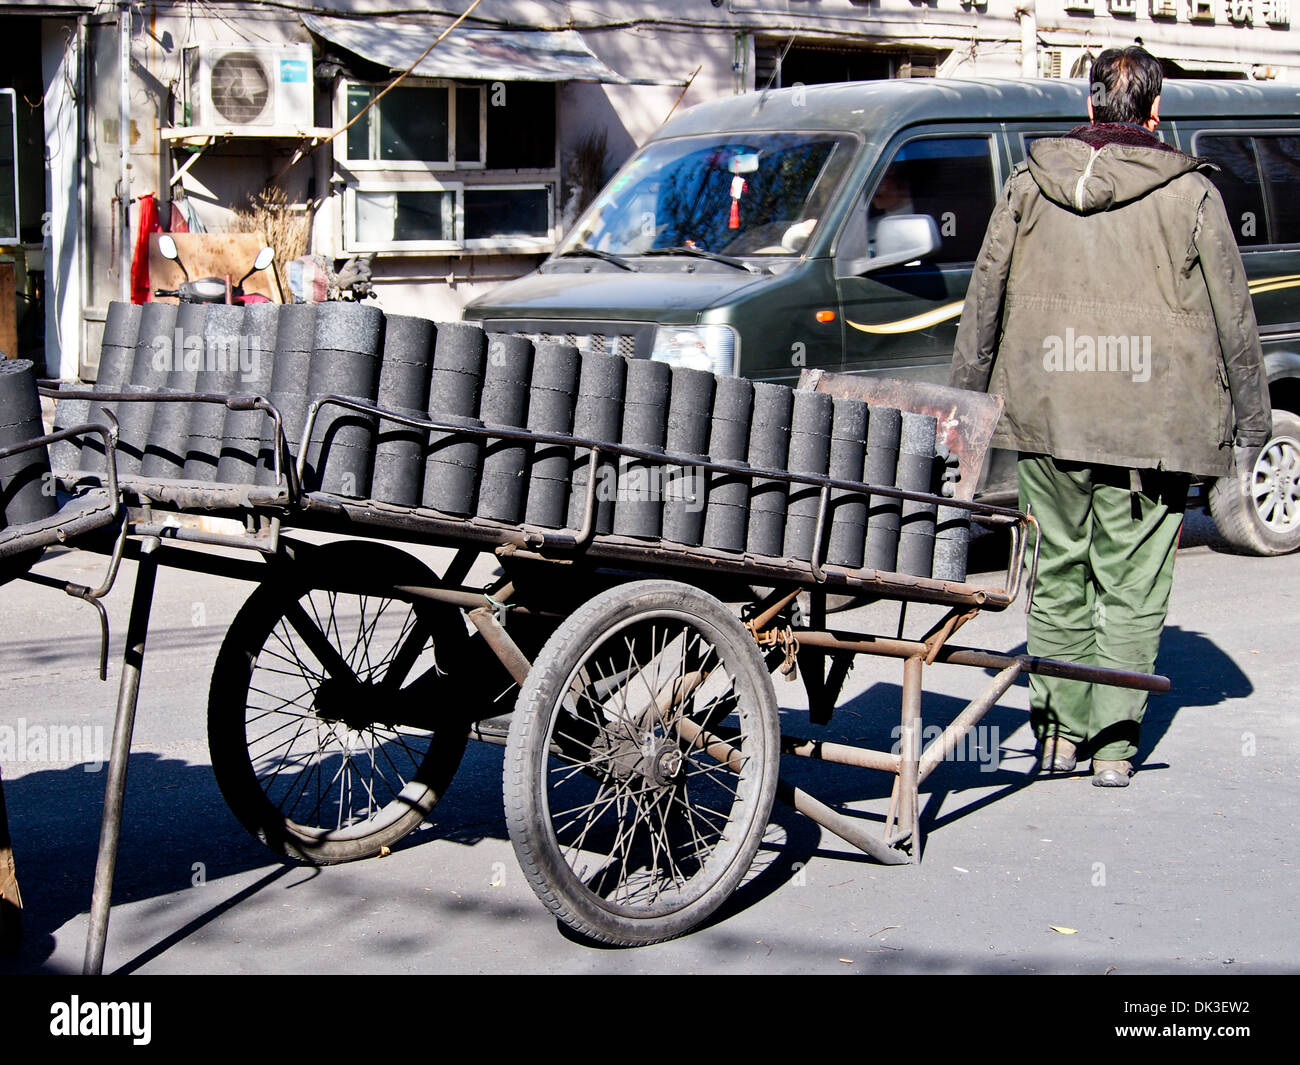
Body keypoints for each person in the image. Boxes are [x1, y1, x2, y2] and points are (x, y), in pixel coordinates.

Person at [949, 46, 1271, 787]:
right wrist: (1252, 426)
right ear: (1156, 112)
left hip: (1049, 414)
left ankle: (1056, 735)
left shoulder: (1030, 183)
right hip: (1153, 429)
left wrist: (964, 403)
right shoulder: (1190, 194)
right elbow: (1235, 317)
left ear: (1090, 106)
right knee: (1133, 581)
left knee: (1058, 569)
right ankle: (1114, 750)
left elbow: (984, 299)